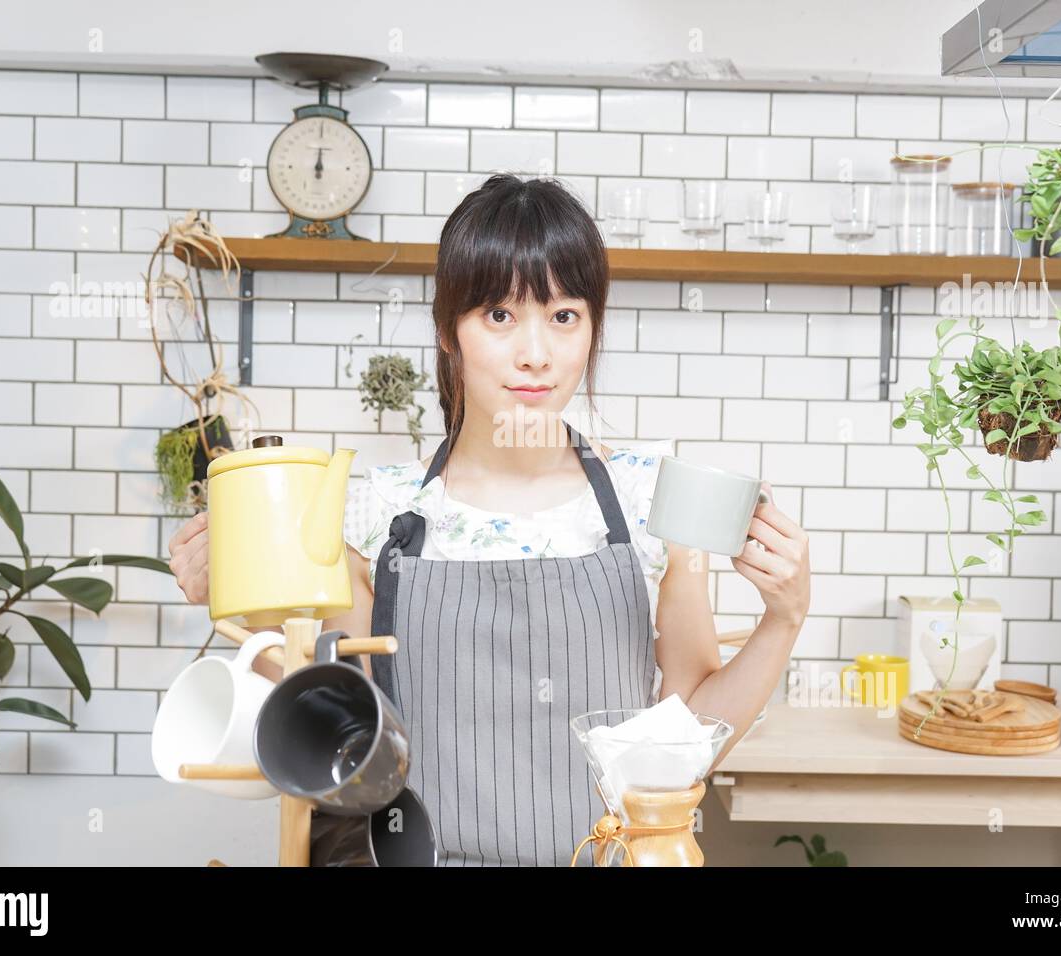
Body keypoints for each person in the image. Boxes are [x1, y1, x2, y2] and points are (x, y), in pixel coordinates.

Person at [168, 173, 811, 866]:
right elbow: (333, 722)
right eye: (499, 316)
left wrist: (784, 618)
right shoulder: (375, 513)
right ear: (450, 329)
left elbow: (688, 740)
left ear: (593, 329)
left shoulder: (648, 505)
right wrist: (235, 602)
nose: (535, 353)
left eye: (564, 316)